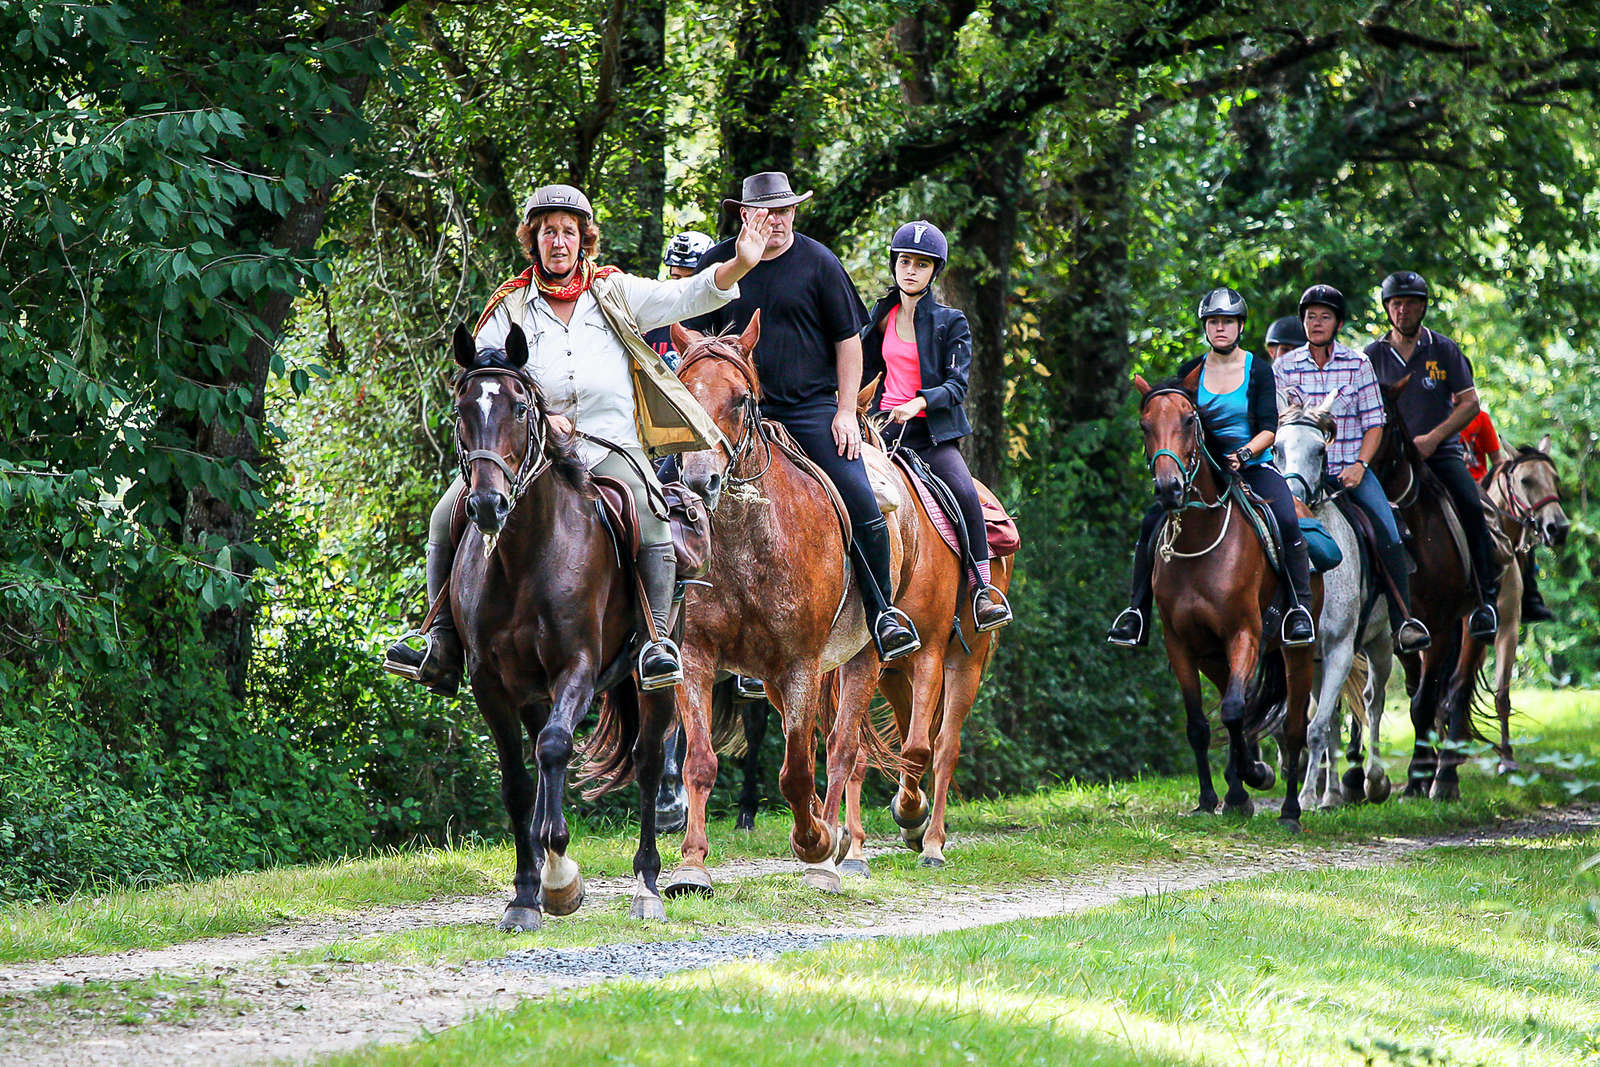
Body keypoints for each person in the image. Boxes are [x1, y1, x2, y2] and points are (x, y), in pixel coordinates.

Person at [384, 185, 772, 694]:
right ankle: (439, 640)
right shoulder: (509, 305)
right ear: (534, 240)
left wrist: (741, 263)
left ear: (583, 239)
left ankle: (656, 641)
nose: (559, 242)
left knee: (651, 517)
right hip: (531, 455)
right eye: (549, 232)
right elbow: (485, 377)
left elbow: (688, 294)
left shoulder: (615, 292)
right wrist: (543, 414)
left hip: (609, 448)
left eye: (569, 231)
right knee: (445, 512)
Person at [690, 171, 919, 660]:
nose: (777, 219)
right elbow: (688, 343)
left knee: (860, 494)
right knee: (667, 491)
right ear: (745, 214)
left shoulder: (819, 263)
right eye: (766, 211)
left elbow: (848, 342)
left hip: (808, 408)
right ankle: (662, 630)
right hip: (731, 414)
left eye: (786, 209)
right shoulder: (717, 264)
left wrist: (844, 412)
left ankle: (882, 614)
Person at [1107, 287, 1314, 648]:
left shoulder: (1259, 370)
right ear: (1206, 327)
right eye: (1214, 322)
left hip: (1253, 465)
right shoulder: (1190, 371)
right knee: (1150, 526)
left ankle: (1299, 609)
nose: (1221, 329)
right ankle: (1136, 613)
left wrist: (1246, 454)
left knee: (1286, 519)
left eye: (1228, 322)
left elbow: (1269, 427)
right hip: (1200, 470)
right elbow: (1174, 419)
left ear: (1240, 327)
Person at [860, 220, 1011, 632]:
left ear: (933, 272)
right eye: (905, 261)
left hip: (930, 436)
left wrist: (918, 403)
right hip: (880, 430)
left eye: (921, 265)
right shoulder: (879, 317)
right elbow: (861, 367)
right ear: (895, 264)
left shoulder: (951, 322)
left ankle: (981, 589)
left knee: (964, 492)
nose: (911, 270)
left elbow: (956, 384)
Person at [1274, 284, 1431, 653]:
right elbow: (1277, 424)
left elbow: (1375, 423)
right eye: (1310, 316)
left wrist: (1361, 466)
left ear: (1338, 323)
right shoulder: (1283, 367)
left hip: (1346, 472)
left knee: (1389, 533)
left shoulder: (1358, 364)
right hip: (1296, 475)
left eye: (1324, 316)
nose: (1316, 323)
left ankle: (1402, 620)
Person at [1364, 270, 1499, 639]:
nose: (1402, 310)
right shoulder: (1371, 356)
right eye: (1396, 304)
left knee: (1471, 506)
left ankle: (1485, 600)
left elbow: (1470, 403)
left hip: (1438, 454)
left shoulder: (1444, 349)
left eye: (1409, 303)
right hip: (1384, 458)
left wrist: (1435, 437)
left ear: (1422, 307)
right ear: (1387, 309)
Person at [644, 230, 716, 366]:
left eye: (691, 279)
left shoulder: (722, 321)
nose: (683, 286)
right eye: (676, 278)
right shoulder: (652, 316)